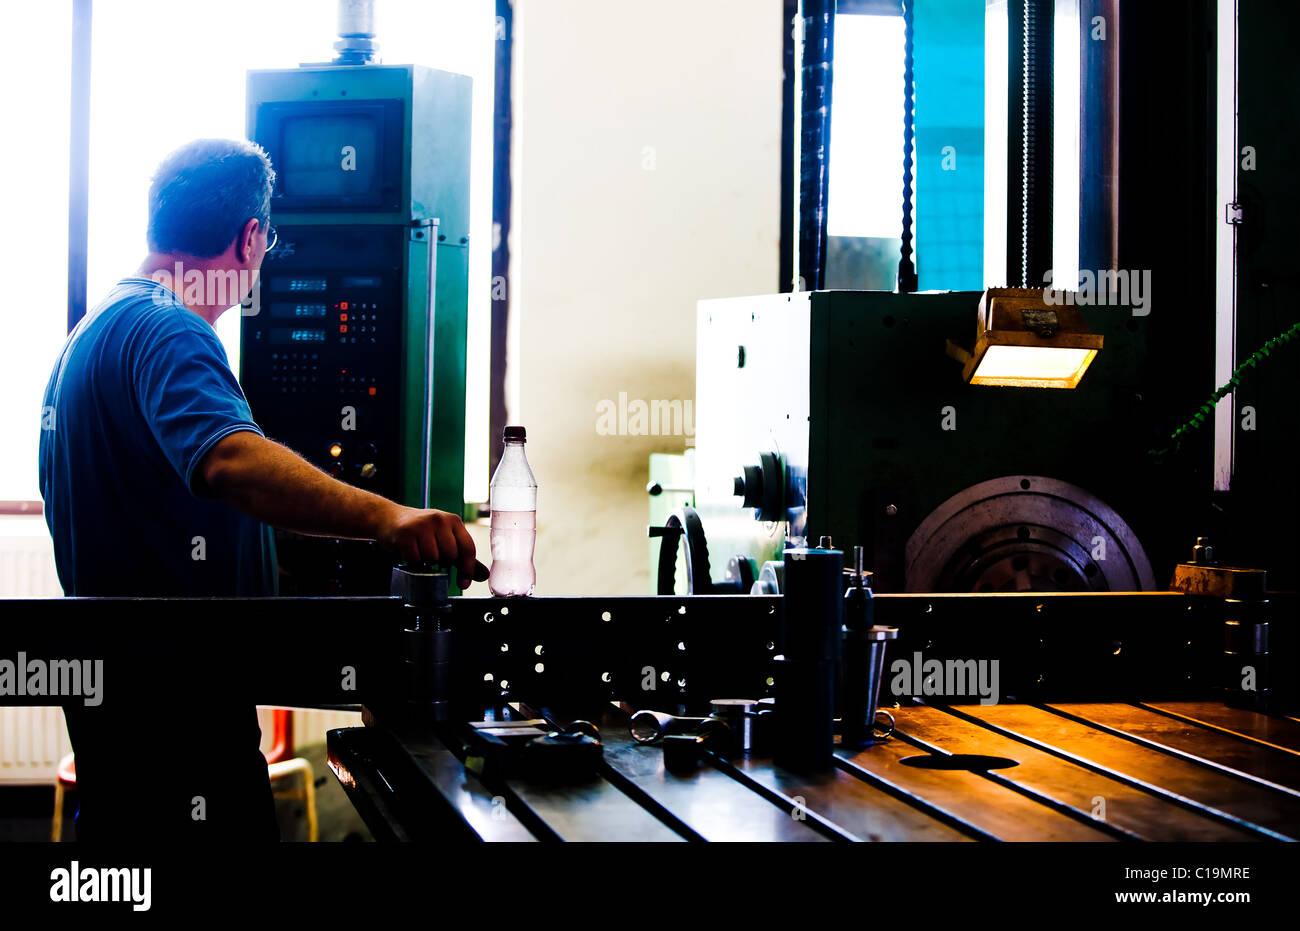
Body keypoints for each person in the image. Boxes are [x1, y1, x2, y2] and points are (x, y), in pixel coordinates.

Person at [38, 138, 486, 841]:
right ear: (250, 239)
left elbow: (150, 516)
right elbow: (231, 462)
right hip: (181, 732)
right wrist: (388, 518)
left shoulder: (90, 334)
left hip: (119, 730)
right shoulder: (168, 331)